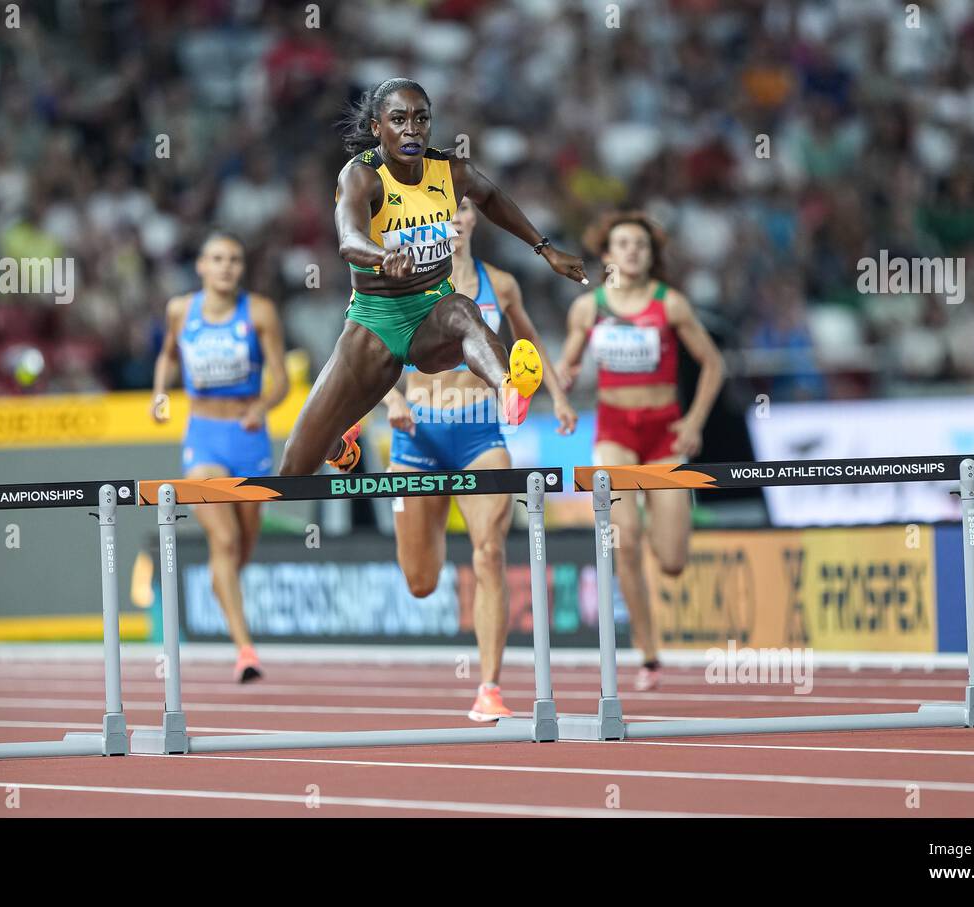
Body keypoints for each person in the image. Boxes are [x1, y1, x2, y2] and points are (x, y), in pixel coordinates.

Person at [277, 77, 588, 477]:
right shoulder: (361, 176)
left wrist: (545, 250)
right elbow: (349, 240)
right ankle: (339, 443)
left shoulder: (450, 171)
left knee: (461, 309)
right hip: (375, 326)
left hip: (431, 314)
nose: (412, 129)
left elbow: (491, 198)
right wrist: (383, 255)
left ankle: (508, 389)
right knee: (293, 470)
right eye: (399, 119)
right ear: (378, 128)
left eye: (421, 119)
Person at [382, 197, 578, 720]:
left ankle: (489, 687)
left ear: (471, 220)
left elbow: (529, 340)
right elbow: (370, 351)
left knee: (490, 553)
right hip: (416, 434)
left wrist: (555, 394)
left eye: (460, 210)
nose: (451, 221)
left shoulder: (503, 284)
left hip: (478, 433)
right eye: (438, 214)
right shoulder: (404, 279)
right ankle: (432, 535)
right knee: (420, 581)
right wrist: (392, 398)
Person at [558, 212, 725, 691]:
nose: (632, 251)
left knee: (671, 560)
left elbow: (714, 364)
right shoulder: (588, 309)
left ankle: (662, 527)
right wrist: (562, 389)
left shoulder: (669, 304)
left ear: (651, 256)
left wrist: (693, 421)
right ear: (607, 255)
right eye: (623, 244)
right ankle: (648, 655)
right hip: (615, 433)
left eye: (641, 245)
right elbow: (566, 367)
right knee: (622, 541)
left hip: (664, 436)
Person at [152, 232, 288, 682]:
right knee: (224, 540)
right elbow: (168, 355)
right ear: (201, 267)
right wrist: (159, 394)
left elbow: (282, 381)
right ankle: (245, 650)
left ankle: (222, 583)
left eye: (234, 259)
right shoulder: (180, 310)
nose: (227, 266)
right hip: (203, 438)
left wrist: (262, 408)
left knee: (243, 545)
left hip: (248, 437)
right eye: (217, 259)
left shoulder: (260, 312)